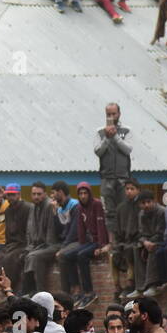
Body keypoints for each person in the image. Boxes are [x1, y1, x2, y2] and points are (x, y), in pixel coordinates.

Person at [58, 182, 108, 308]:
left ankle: (89, 292)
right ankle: (77, 289)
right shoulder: (80, 207)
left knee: (81, 256)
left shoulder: (96, 204)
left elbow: (101, 225)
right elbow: (80, 228)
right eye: (80, 193)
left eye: (85, 193)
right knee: (68, 255)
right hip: (88, 241)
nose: (83, 196)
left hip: (98, 241)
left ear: (89, 194)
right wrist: (81, 244)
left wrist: (101, 246)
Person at [95, 103, 132, 239]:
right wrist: (107, 137)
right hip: (106, 178)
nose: (111, 117)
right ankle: (112, 240)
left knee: (124, 209)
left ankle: (125, 238)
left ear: (119, 114)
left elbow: (128, 149)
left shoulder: (127, 130)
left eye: (113, 114)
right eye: (108, 114)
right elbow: (98, 151)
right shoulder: (100, 131)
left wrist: (115, 137)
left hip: (123, 178)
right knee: (109, 211)